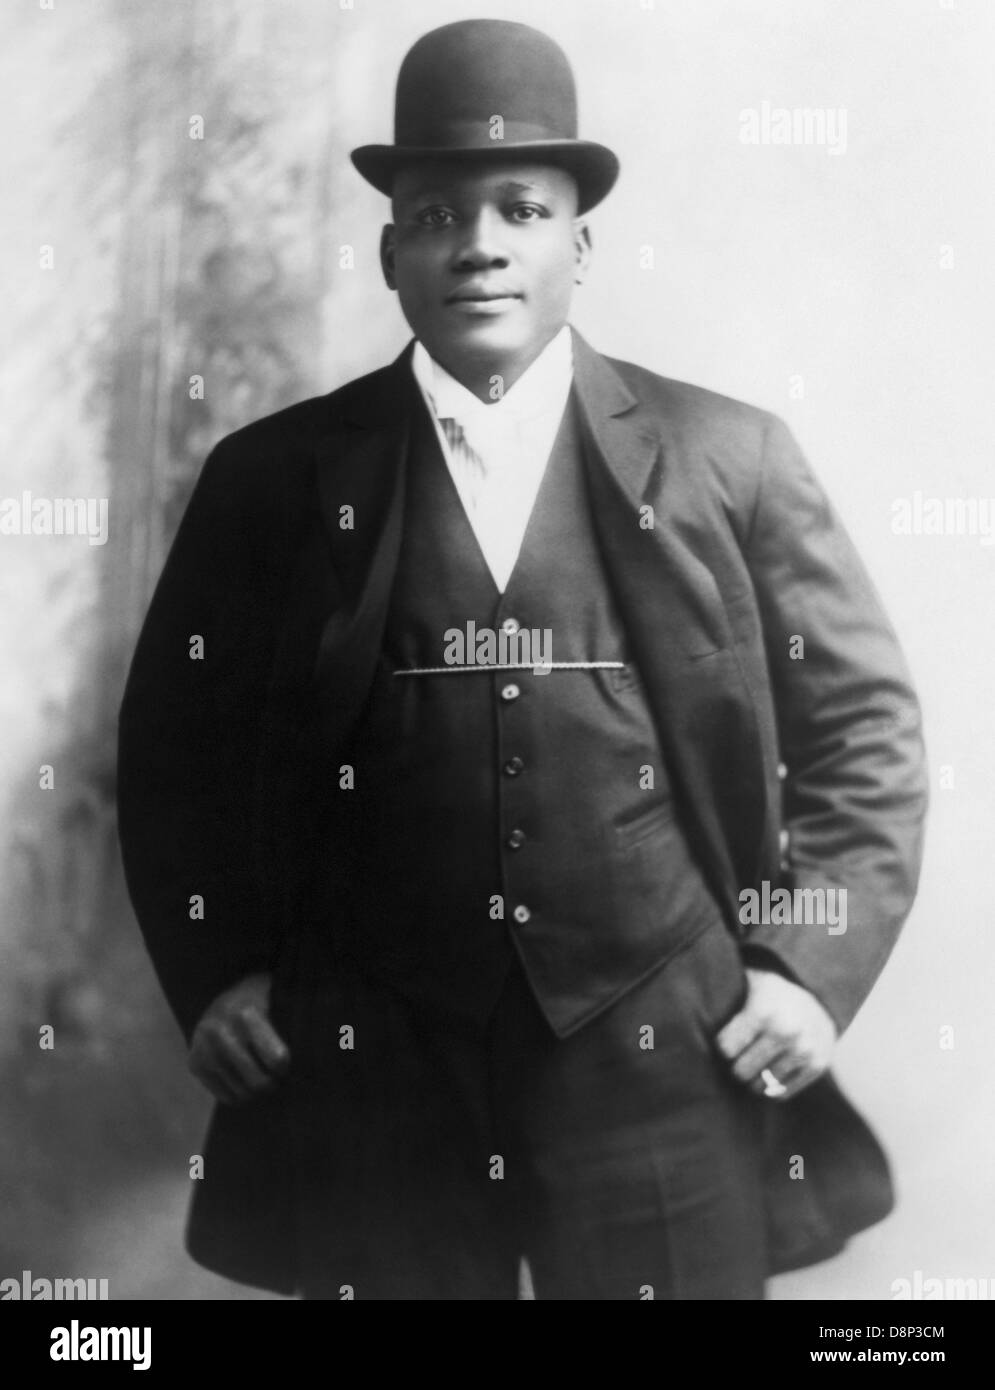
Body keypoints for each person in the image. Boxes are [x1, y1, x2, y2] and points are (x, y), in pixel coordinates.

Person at [117, 18, 928, 1300]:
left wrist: (806, 970)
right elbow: (174, 757)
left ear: (578, 243)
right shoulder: (271, 481)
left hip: (664, 1055)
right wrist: (216, 971)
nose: (480, 244)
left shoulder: (729, 458)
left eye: (520, 208)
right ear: (392, 251)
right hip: (371, 1062)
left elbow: (865, 736)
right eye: (437, 213)